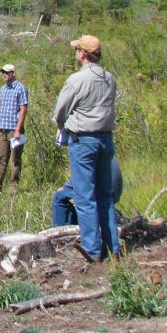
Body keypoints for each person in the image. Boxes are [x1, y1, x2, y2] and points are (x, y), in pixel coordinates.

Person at [53, 34, 118, 262]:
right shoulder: (110, 78)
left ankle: (92, 250)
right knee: (105, 196)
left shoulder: (77, 80)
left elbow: (60, 110)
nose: (76, 53)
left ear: (83, 53)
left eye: (77, 49)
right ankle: (113, 248)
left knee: (84, 197)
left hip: (83, 141)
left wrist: (61, 125)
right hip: (106, 140)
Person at [0, 63, 29, 193]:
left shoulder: (21, 88)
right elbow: (3, 108)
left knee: (15, 160)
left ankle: (13, 187)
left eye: (7, 72)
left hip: (14, 130)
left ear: (13, 73)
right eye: (3, 72)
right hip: (2, 129)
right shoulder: (3, 89)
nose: (4, 74)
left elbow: (23, 109)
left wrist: (18, 129)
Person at [53, 156, 124, 226]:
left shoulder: (86, 152)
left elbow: (74, 182)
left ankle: (59, 231)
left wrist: (64, 187)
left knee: (59, 196)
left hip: (99, 195)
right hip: (113, 196)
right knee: (73, 200)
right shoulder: (108, 152)